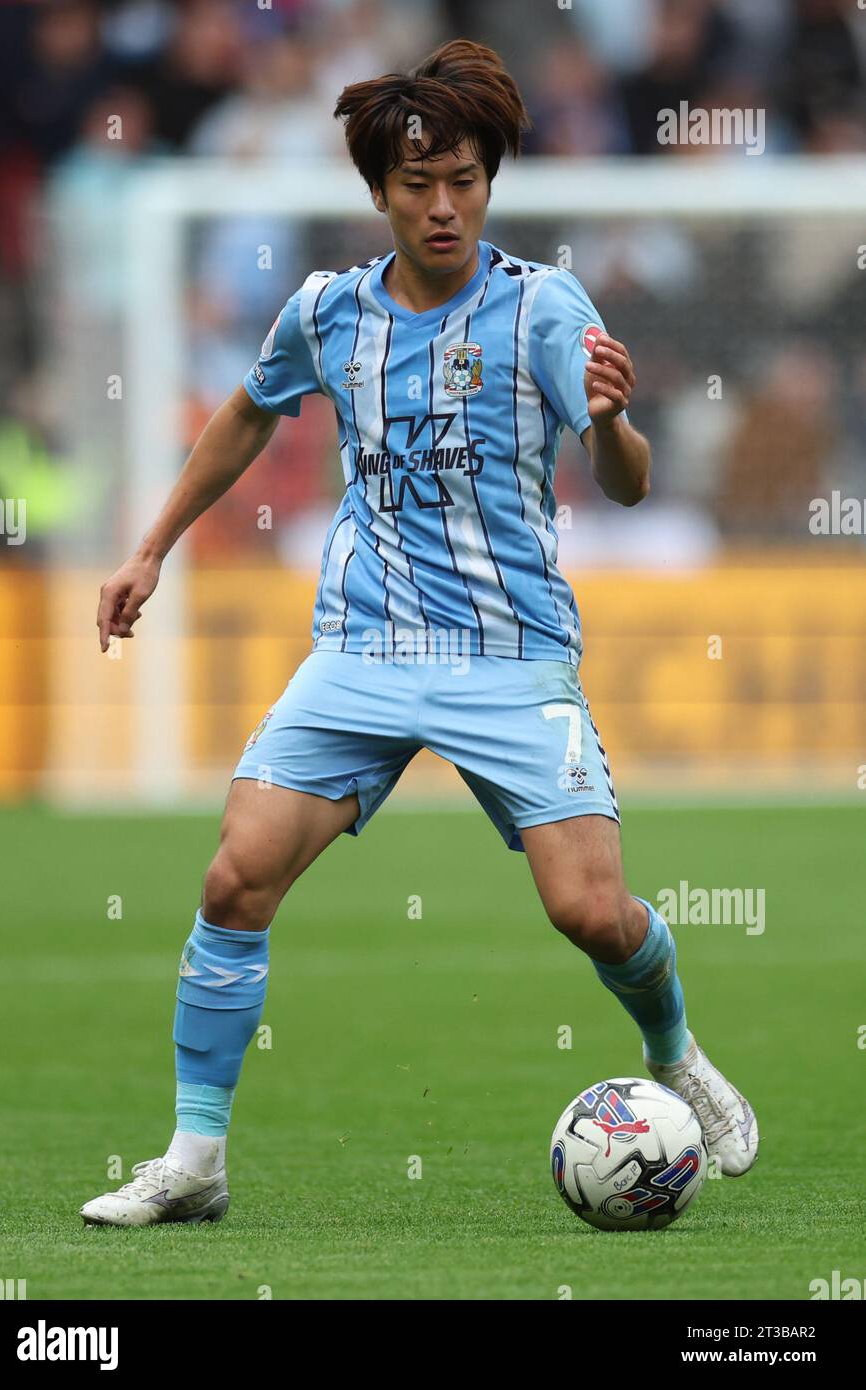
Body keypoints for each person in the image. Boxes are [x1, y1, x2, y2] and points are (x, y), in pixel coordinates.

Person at [84, 39, 757, 1227]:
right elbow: (245, 417)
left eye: (463, 179)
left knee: (589, 911)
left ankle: (675, 1051)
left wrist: (607, 423)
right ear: (380, 191)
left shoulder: (545, 308)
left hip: (510, 655)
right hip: (360, 650)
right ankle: (194, 1160)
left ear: (490, 179)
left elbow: (628, 481)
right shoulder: (327, 313)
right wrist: (150, 546)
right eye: (416, 184)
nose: (441, 206)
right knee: (235, 877)